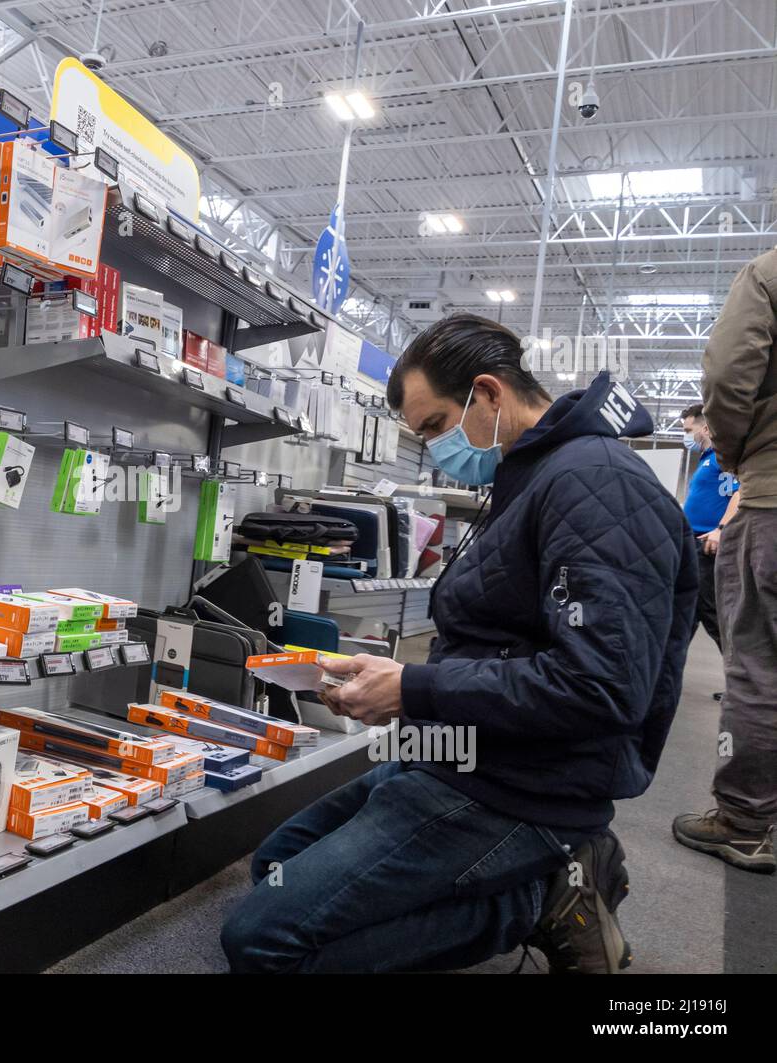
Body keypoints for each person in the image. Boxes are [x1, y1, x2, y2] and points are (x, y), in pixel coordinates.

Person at [221, 315, 697, 974]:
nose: (435, 446)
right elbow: (503, 637)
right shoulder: (529, 475)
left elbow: (604, 684)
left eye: (434, 425)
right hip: (461, 756)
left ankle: (540, 896)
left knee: (261, 938)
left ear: (489, 393)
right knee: (276, 865)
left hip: (524, 789)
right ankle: (491, 884)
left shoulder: (595, 481)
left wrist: (413, 687)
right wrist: (391, 675)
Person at [673, 249, 777, 874]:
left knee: (759, 667)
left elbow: (729, 373)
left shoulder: (767, 273)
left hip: (771, 501)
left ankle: (744, 821)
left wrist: (739, 460)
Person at [679, 404, 739, 652]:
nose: (685, 435)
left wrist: (721, 529)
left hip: (708, 545)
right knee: (686, 613)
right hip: (693, 542)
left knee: (710, 611)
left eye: (688, 429)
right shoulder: (706, 460)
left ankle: (744, 679)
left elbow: (739, 494)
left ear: (704, 427)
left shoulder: (720, 458)